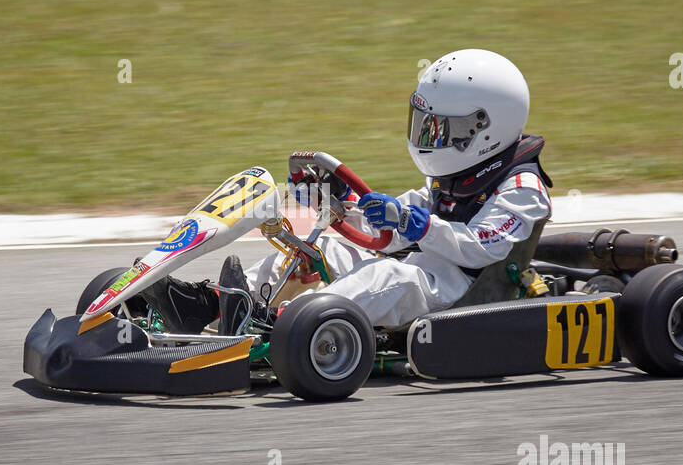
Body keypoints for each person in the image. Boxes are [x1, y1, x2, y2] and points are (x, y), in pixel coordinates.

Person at [141, 49, 553, 333]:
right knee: (322, 254)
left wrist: (417, 224)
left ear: (484, 127)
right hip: (428, 265)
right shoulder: (459, 174)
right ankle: (216, 302)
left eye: (443, 129)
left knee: (387, 276)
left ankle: (282, 323)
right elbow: (397, 227)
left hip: (465, 289)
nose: (430, 137)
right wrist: (345, 207)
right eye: (427, 125)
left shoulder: (522, 188)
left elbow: (480, 248)